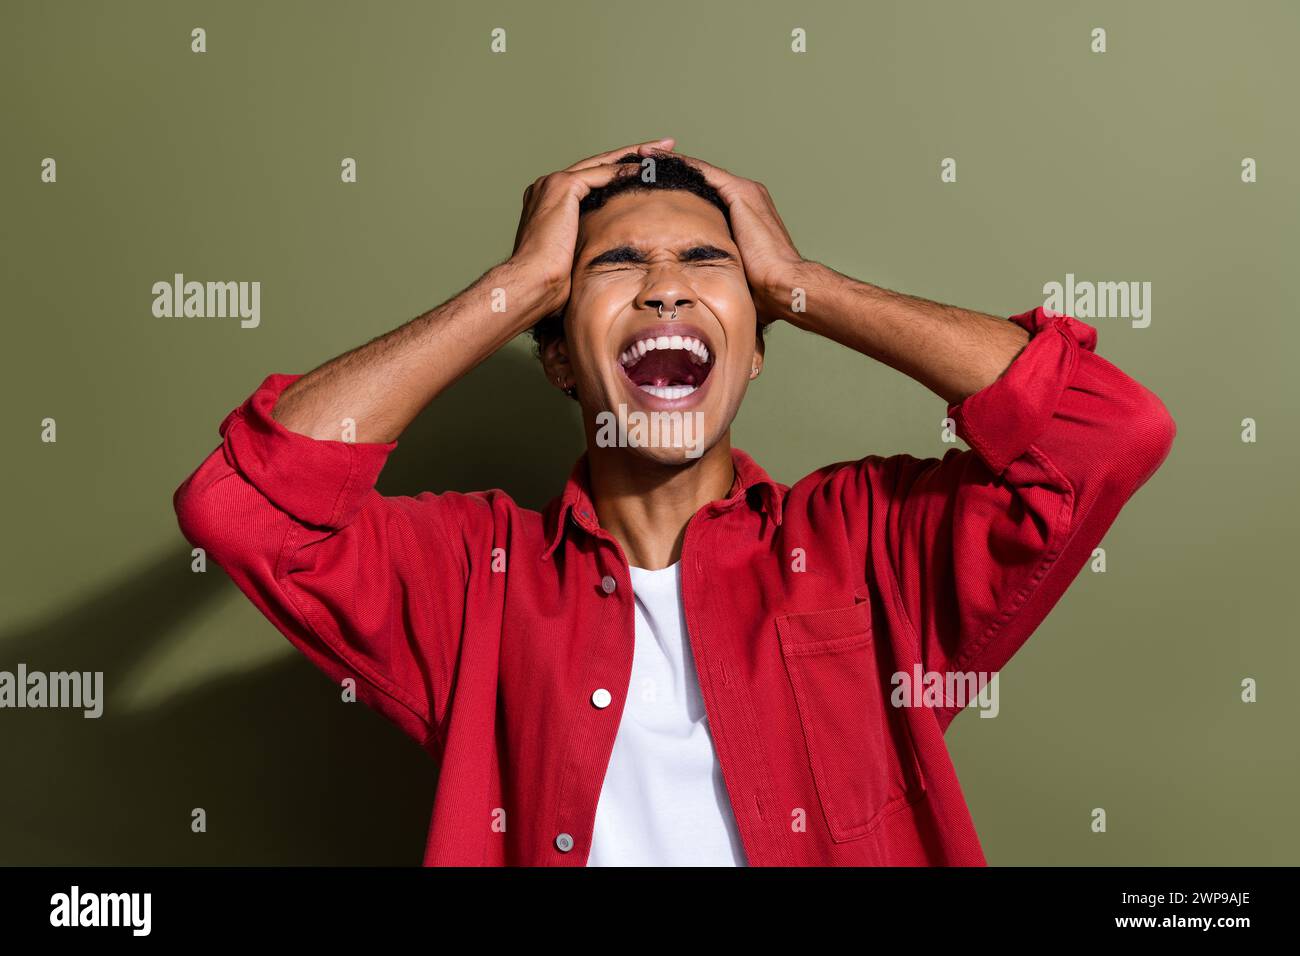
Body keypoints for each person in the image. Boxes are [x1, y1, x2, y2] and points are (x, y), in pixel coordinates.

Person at [173, 138, 1176, 866]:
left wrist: (805, 282)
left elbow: (1107, 433)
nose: (663, 286)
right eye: (615, 262)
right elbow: (243, 507)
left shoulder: (867, 542)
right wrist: (516, 286)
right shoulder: (471, 577)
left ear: (755, 343)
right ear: (561, 358)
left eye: (707, 261)